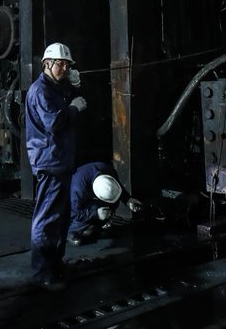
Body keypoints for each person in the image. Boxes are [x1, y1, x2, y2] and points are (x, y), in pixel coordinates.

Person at [25, 41, 87, 288]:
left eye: (67, 64)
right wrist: (74, 108)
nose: (64, 67)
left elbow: (60, 109)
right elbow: (55, 123)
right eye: (60, 63)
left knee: (60, 218)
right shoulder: (40, 90)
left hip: (59, 160)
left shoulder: (53, 88)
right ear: (47, 64)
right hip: (49, 161)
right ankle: (42, 272)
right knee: (47, 217)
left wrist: (72, 89)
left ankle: (54, 265)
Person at [68, 161, 144, 245]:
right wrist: (95, 213)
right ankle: (70, 231)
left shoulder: (109, 171)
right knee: (94, 209)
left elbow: (114, 188)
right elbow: (72, 212)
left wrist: (128, 200)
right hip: (70, 205)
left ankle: (92, 225)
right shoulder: (77, 192)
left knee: (111, 204)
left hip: (87, 189)